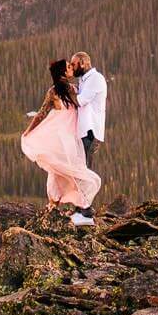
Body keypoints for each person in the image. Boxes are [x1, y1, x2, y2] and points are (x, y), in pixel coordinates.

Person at [19, 58, 102, 225]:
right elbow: (42, 114)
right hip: (64, 137)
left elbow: (42, 113)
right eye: (69, 67)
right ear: (63, 72)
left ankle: (58, 204)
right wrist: (29, 131)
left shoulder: (63, 90)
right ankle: (78, 206)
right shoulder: (67, 90)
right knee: (67, 169)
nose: (71, 68)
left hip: (68, 136)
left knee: (62, 169)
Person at [69, 51, 108, 221]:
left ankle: (85, 208)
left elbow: (80, 101)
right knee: (80, 168)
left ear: (83, 63)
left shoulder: (95, 79)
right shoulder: (84, 80)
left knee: (85, 170)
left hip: (90, 132)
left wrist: (65, 89)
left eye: (74, 64)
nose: (72, 67)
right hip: (83, 131)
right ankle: (80, 207)